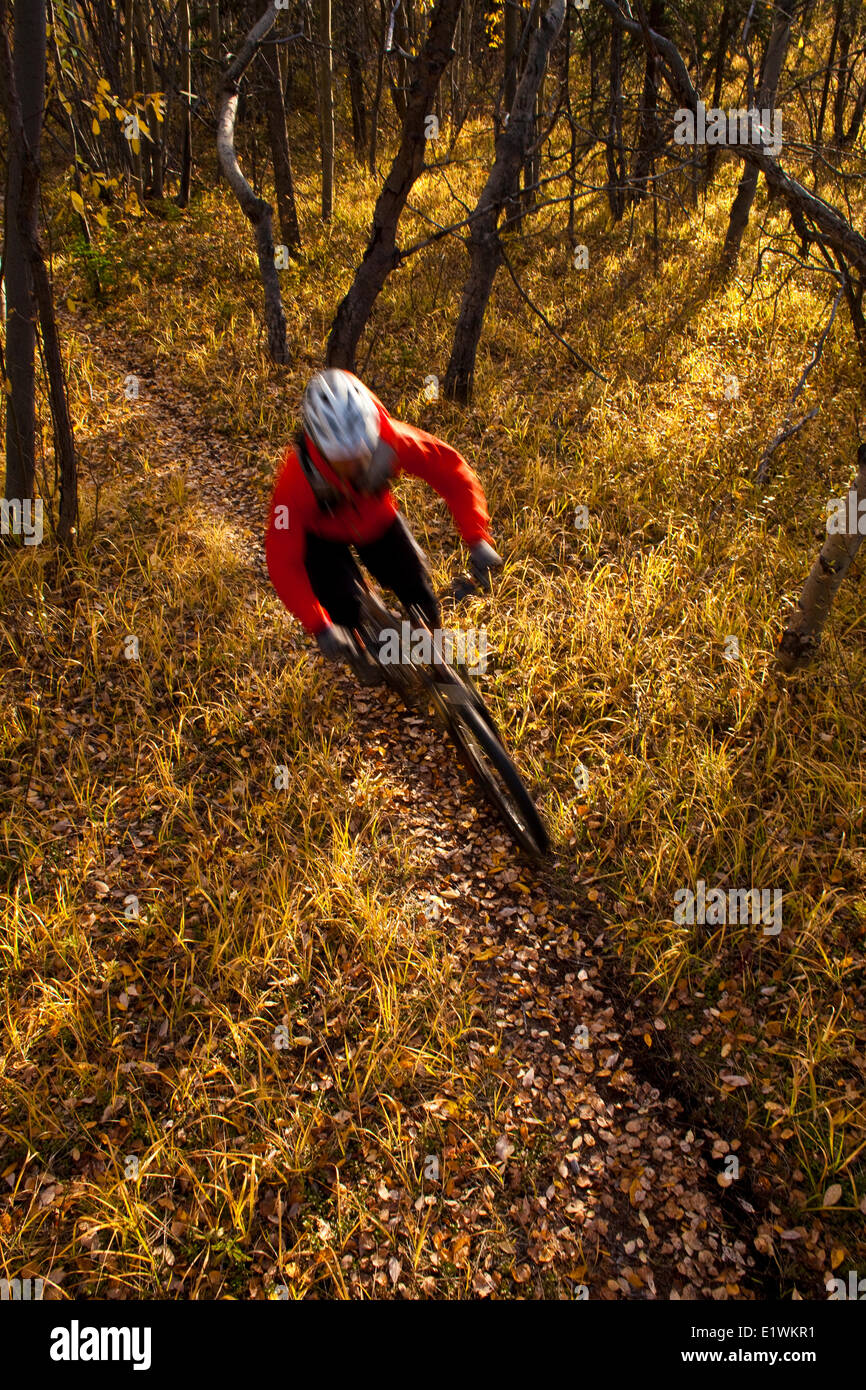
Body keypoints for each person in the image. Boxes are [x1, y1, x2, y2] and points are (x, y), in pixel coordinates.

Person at [265, 369, 502, 667]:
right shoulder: (294, 483)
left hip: (376, 521)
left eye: (361, 455)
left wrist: (477, 537)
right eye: (342, 461)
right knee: (343, 607)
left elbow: (451, 471)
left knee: (417, 588)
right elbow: (282, 560)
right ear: (320, 450)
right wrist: (319, 624)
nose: (354, 467)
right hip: (321, 538)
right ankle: (362, 654)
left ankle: (438, 659)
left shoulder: (391, 440)